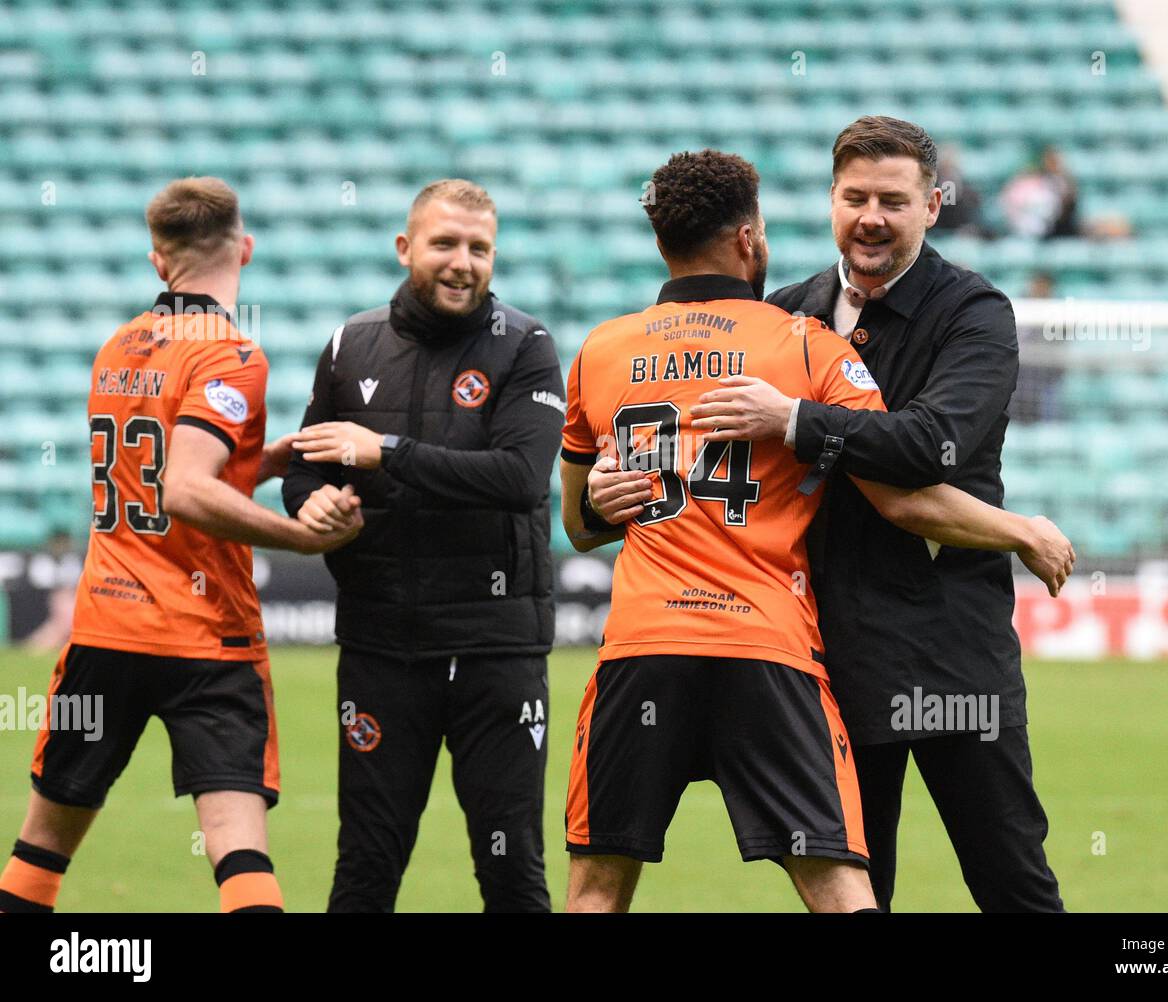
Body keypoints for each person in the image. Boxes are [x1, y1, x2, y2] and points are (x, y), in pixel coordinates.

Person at [561, 149, 1074, 913]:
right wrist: (1021, 531)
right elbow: (899, 498)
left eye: (893, 201)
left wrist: (789, 420)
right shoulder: (797, 329)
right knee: (855, 883)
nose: (871, 215)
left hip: (945, 648)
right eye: (856, 197)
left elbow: (925, 448)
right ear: (770, 227)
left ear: (934, 205)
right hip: (809, 649)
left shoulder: (973, 312)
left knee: (1007, 875)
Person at [0, 177, 361, 914]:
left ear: (158, 263)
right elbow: (183, 490)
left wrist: (261, 463)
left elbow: (151, 479)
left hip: (106, 626)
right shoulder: (231, 353)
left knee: (41, 847)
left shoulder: (118, 347)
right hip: (206, 639)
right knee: (239, 850)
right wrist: (296, 534)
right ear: (246, 249)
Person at [282, 179, 564, 913]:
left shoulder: (527, 346)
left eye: (480, 248)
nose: (463, 262)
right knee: (366, 870)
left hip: (495, 651)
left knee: (510, 872)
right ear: (406, 248)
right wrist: (309, 499)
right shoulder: (351, 342)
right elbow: (309, 459)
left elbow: (521, 477)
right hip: (383, 648)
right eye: (445, 243)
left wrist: (386, 451)